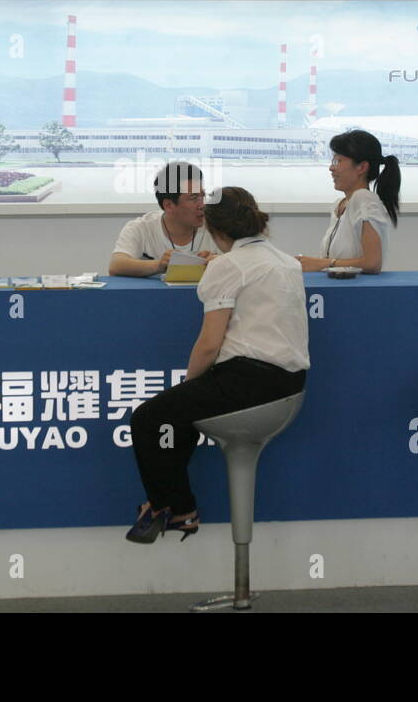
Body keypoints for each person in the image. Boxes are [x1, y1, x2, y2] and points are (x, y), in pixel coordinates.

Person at [126, 186, 308, 543]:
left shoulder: (226, 266)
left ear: (213, 227)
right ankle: (174, 506)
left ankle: (175, 507)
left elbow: (208, 346)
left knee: (149, 418)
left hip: (248, 384)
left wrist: (186, 385)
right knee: (180, 415)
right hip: (290, 386)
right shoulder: (285, 261)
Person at [298, 130, 400, 273]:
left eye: (338, 161)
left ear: (362, 167)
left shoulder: (363, 199)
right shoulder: (341, 204)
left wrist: (324, 263)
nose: (331, 168)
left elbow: (372, 262)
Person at [108, 162, 218, 277]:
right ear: (169, 205)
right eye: (194, 198)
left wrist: (220, 262)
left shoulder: (215, 226)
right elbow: (116, 265)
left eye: (203, 195)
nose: (202, 205)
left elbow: (237, 258)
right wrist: (158, 265)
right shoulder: (142, 228)